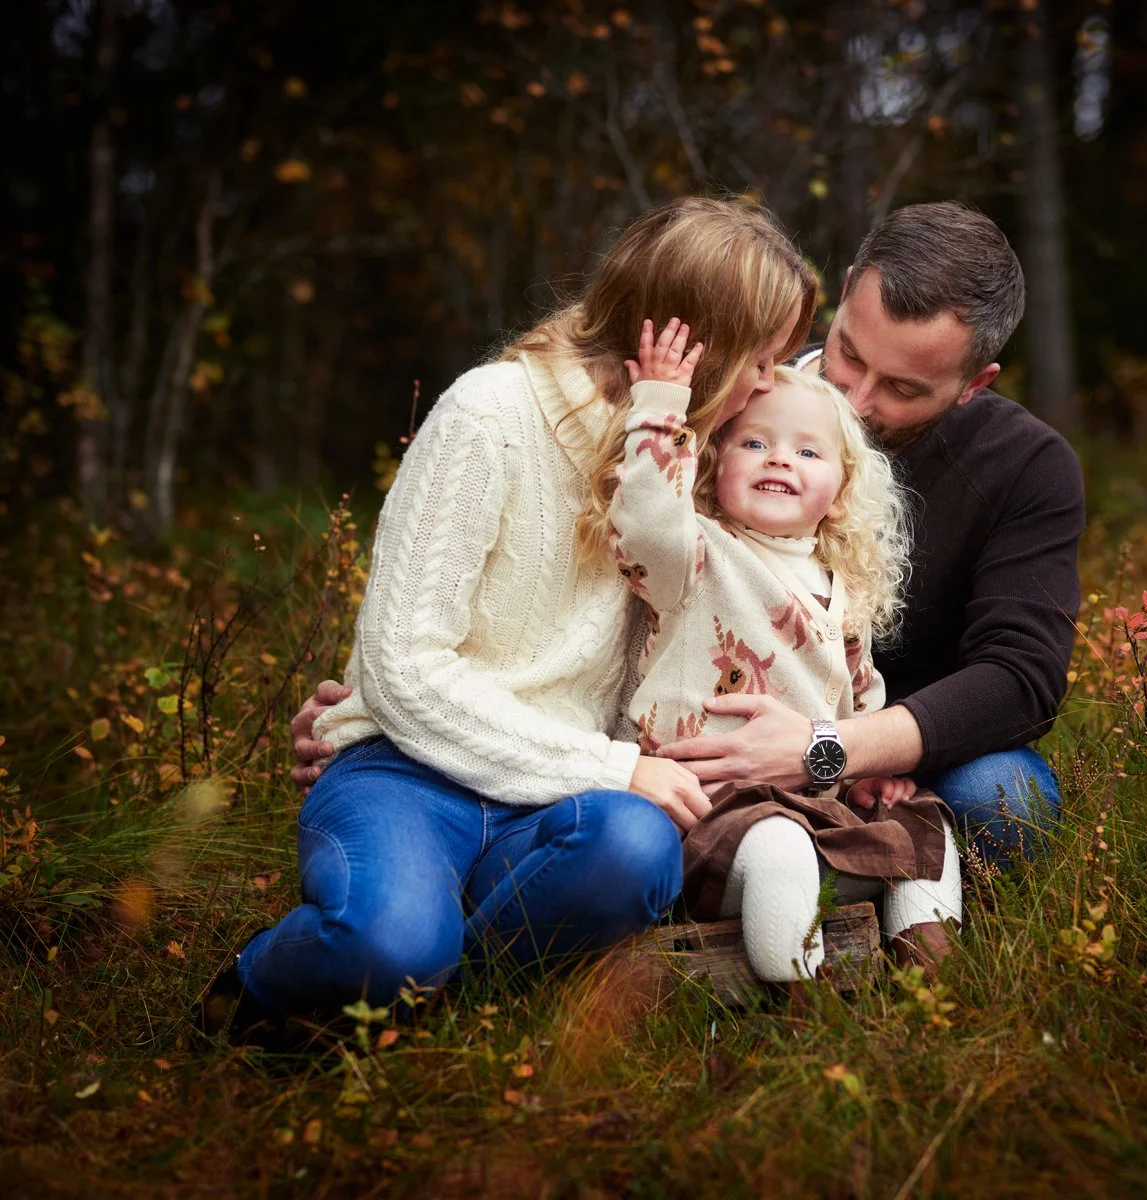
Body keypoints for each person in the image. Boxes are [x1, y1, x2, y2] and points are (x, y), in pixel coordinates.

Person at [295, 203, 1083, 877]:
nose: (854, 396)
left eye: (904, 388)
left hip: (890, 745)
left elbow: (1022, 678)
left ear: (975, 383)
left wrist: (832, 749)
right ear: (845, 294)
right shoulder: (733, 397)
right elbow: (615, 558)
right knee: (660, 831)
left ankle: (895, 914)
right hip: (704, 741)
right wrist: (388, 709)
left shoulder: (1028, 467)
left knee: (1006, 800)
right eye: (848, 352)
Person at [200, 197, 818, 1040]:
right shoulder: (490, 414)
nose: (770, 383)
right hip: (411, 772)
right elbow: (403, 672)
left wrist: (840, 748)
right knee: (390, 943)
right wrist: (609, 767)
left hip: (556, 805)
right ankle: (255, 989)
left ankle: (443, 1008)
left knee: (638, 850)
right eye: (762, 360)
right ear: (693, 347)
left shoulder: (701, 465)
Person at [612, 317, 960, 982]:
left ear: (842, 490)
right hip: (715, 824)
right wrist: (660, 407)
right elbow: (646, 527)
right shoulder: (699, 556)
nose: (779, 459)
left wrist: (867, 776)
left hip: (823, 815)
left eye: (807, 451)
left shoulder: (841, 586)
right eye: (754, 442)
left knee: (925, 822)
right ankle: (804, 1001)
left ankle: (931, 981)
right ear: (714, 466)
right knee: (781, 843)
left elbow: (859, 699)